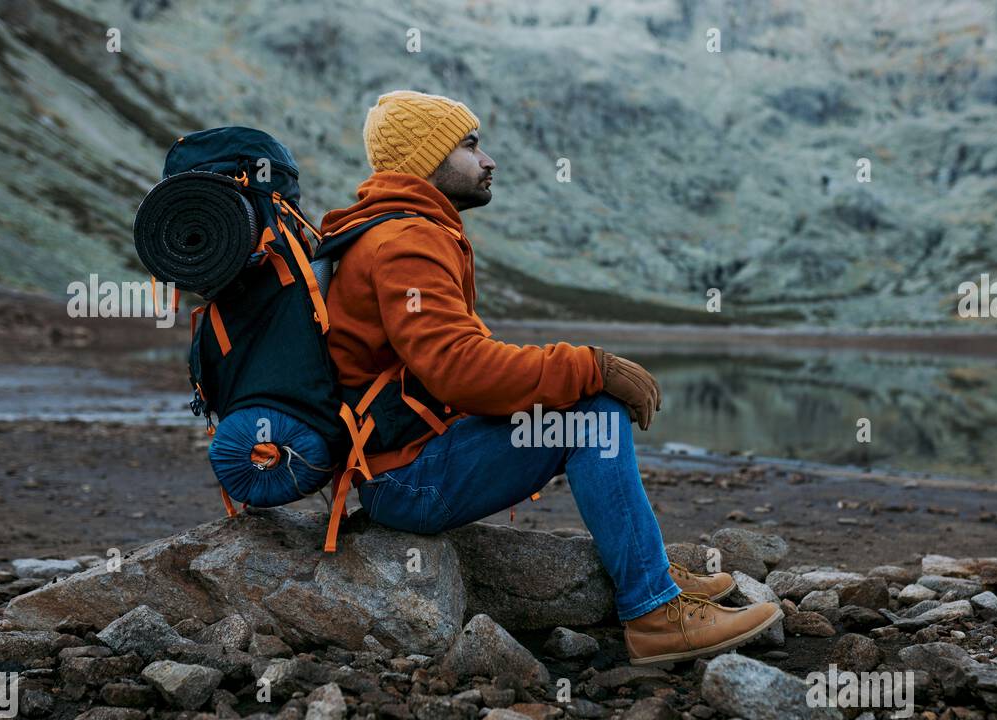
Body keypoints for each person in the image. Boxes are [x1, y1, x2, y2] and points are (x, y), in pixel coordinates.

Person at [320, 90, 781, 664]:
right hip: (406, 481)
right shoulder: (406, 242)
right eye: (469, 146)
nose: (488, 160)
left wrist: (573, 373)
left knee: (584, 408)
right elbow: (460, 369)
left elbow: (455, 366)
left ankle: (652, 573)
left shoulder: (402, 228)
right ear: (426, 160)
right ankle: (654, 612)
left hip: (408, 459)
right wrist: (592, 367)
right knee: (593, 417)